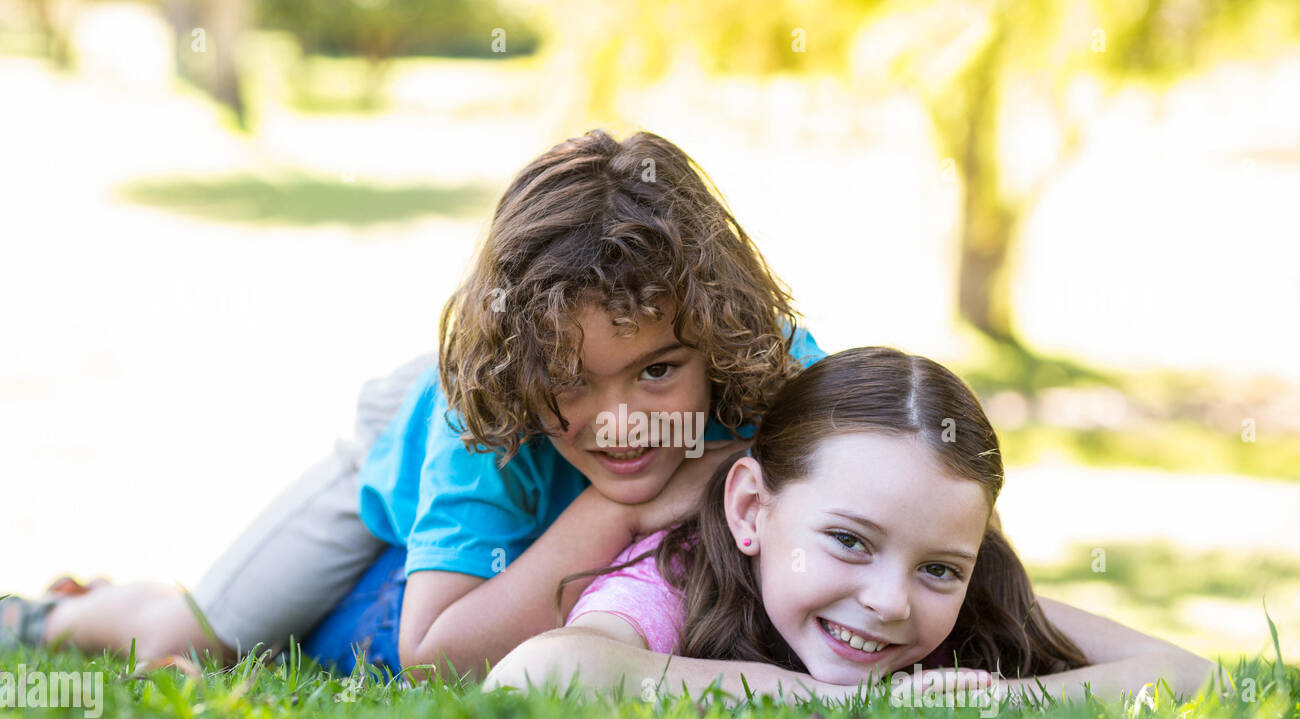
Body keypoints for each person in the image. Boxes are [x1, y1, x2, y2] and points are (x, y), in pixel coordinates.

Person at [1, 129, 824, 681]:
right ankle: (48, 619)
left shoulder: (771, 365)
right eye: (573, 381)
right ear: (526, 364)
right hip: (386, 467)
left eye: (657, 372)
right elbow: (430, 653)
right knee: (198, 640)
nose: (621, 424)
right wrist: (622, 511)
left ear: (716, 337)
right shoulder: (484, 415)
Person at [480, 347, 1215, 707]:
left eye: (938, 568)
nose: (891, 602)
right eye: (851, 542)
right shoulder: (676, 574)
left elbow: (1193, 676)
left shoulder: (966, 591)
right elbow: (532, 674)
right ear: (750, 511)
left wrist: (998, 701)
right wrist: (830, 702)